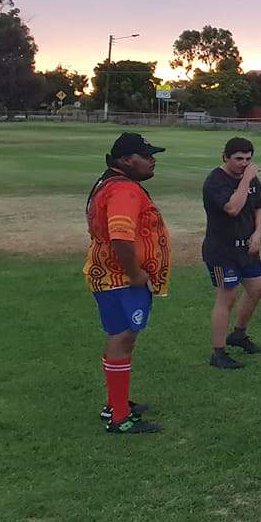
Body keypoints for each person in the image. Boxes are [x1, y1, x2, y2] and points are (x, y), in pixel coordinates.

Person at [84, 132, 170, 434]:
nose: (152, 160)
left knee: (122, 337)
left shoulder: (110, 182)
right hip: (120, 279)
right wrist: (136, 274)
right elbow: (121, 237)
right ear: (125, 160)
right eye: (145, 156)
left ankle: (115, 403)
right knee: (122, 337)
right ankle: (119, 416)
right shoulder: (123, 191)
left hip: (109, 275)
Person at [202, 137, 261, 370]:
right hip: (222, 251)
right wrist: (247, 178)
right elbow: (233, 208)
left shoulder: (251, 179)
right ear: (225, 157)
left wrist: (258, 234)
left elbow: (258, 207)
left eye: (248, 159)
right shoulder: (215, 181)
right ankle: (218, 352)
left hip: (246, 249)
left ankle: (238, 334)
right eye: (239, 159)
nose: (244, 163)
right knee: (227, 297)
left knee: (257, 289)